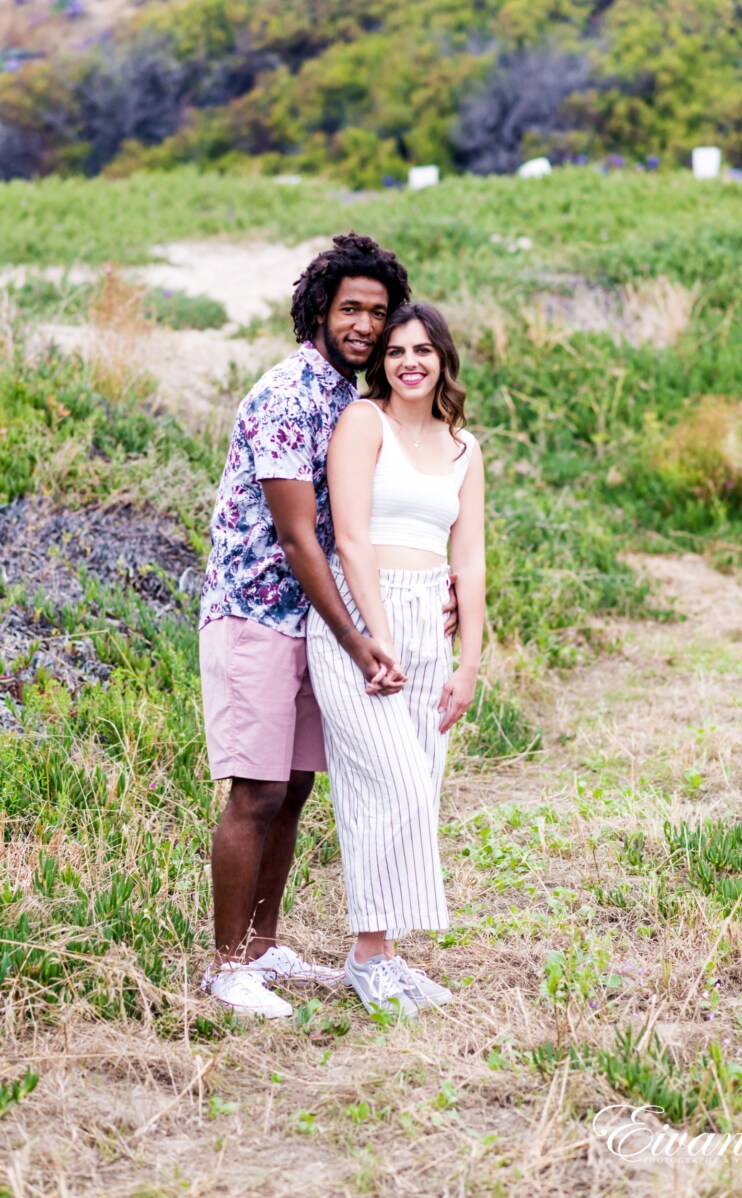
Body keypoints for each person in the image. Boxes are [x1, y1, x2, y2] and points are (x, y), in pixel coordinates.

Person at [198, 234, 461, 1017]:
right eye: (351, 308)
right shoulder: (287, 392)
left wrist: (433, 580)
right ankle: (224, 965)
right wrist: (356, 637)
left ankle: (262, 945)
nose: (366, 326)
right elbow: (297, 537)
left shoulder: (351, 402)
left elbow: (374, 517)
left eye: (378, 313)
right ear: (320, 309)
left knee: (298, 788)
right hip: (256, 613)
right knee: (256, 790)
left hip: (316, 620)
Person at [306, 302, 485, 1016]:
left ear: (443, 358)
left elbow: (468, 564)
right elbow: (348, 537)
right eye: (397, 351)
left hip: (427, 627)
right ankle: (366, 957)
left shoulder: (464, 448)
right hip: (360, 617)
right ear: (381, 361)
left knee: (422, 789)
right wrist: (374, 637)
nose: (410, 361)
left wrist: (467, 663)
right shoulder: (363, 423)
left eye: (423, 350)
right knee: (389, 786)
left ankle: (382, 954)